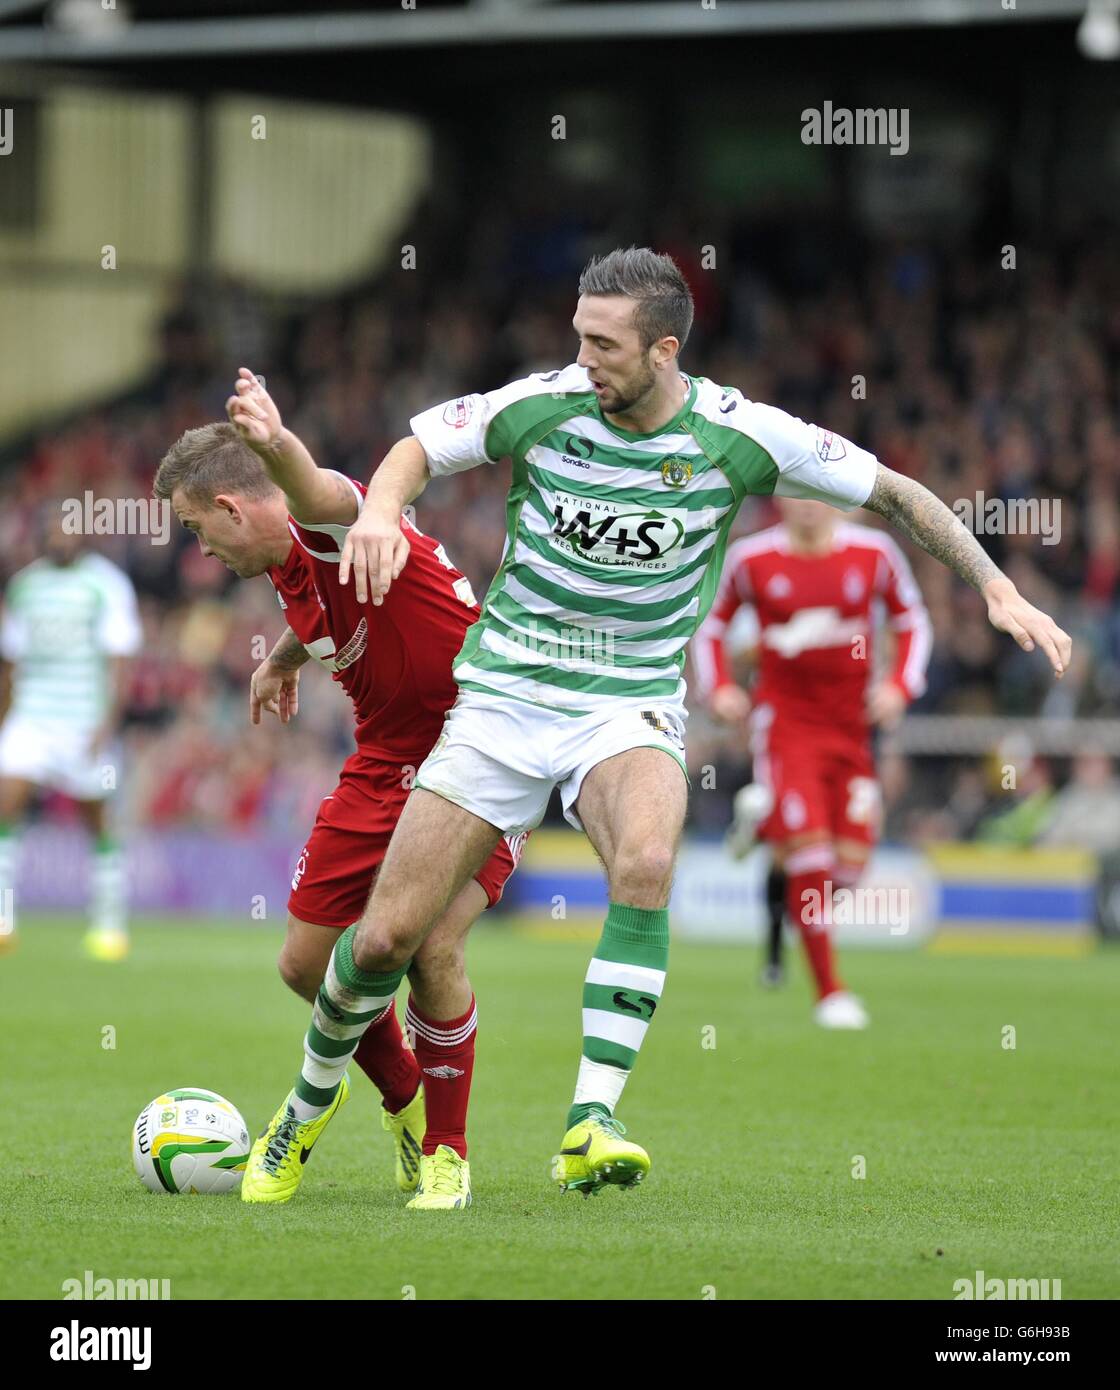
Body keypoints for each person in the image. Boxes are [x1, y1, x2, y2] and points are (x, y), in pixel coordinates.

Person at [244, 245, 1071, 1203]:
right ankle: (303, 1114)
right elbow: (417, 448)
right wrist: (384, 511)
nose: (583, 359)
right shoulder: (542, 404)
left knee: (644, 861)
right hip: (506, 697)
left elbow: (895, 492)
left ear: (665, 350)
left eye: (603, 345)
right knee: (387, 941)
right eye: (578, 338)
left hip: (626, 705)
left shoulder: (739, 434)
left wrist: (998, 587)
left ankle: (591, 1121)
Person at [154, 377, 523, 1210]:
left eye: (197, 528)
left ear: (231, 504)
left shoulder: (334, 525)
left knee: (428, 950)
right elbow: (324, 604)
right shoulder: (290, 563)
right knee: (304, 963)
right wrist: (286, 656)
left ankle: (447, 1151)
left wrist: (279, 442)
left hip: (484, 754)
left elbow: (318, 492)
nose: (199, 551)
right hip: (386, 758)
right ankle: (402, 1097)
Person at [692, 497, 932, 1028]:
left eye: (818, 493)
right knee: (811, 863)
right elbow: (710, 624)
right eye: (796, 493)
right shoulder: (752, 560)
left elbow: (911, 618)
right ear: (780, 499)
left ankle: (765, 823)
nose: (807, 506)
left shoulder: (875, 554)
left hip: (852, 734)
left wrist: (898, 687)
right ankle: (830, 993)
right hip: (785, 732)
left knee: (846, 869)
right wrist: (722, 689)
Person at [0, 508, 140, 960]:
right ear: (41, 536)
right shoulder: (26, 585)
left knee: (97, 821)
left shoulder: (106, 584)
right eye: (54, 531)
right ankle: (4, 920)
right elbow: (10, 662)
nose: (61, 539)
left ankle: (108, 925)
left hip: (85, 721)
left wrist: (106, 723)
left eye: (69, 532)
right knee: (6, 807)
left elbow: (119, 659)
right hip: (32, 718)